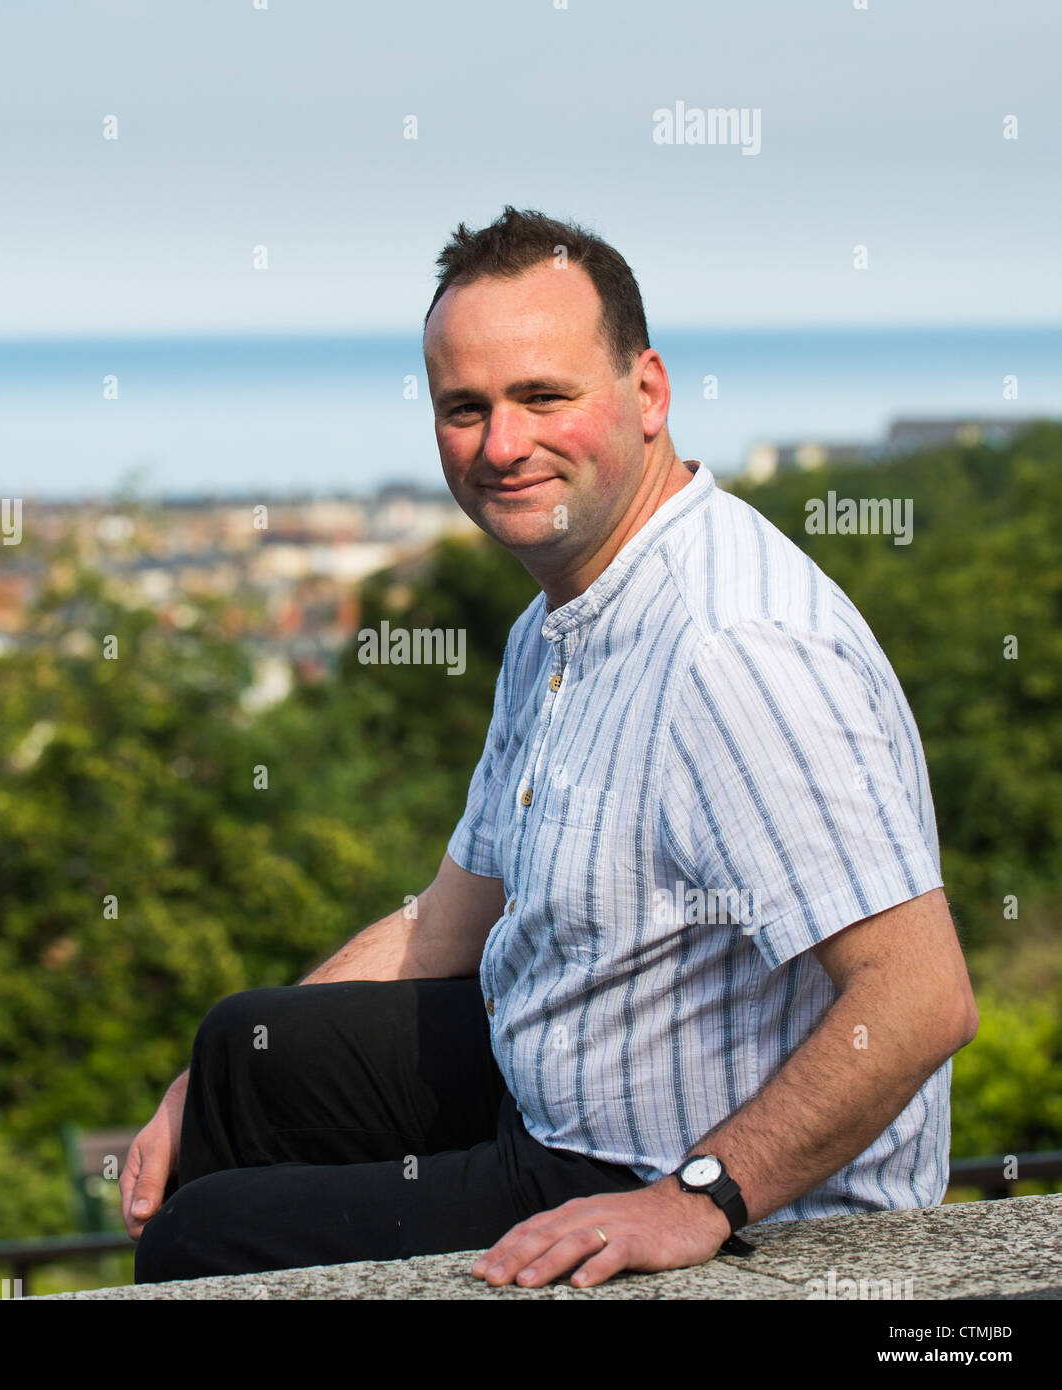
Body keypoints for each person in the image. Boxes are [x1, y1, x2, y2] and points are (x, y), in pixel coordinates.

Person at [126, 206, 978, 1289]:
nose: (501, 444)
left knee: (199, 1241)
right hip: (563, 1076)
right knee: (241, 1053)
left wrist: (699, 1196)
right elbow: (444, 922)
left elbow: (918, 999)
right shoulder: (559, 622)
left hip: (688, 1174)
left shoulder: (729, 648)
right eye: (464, 408)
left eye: (543, 396)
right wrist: (202, 1087)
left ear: (647, 393)